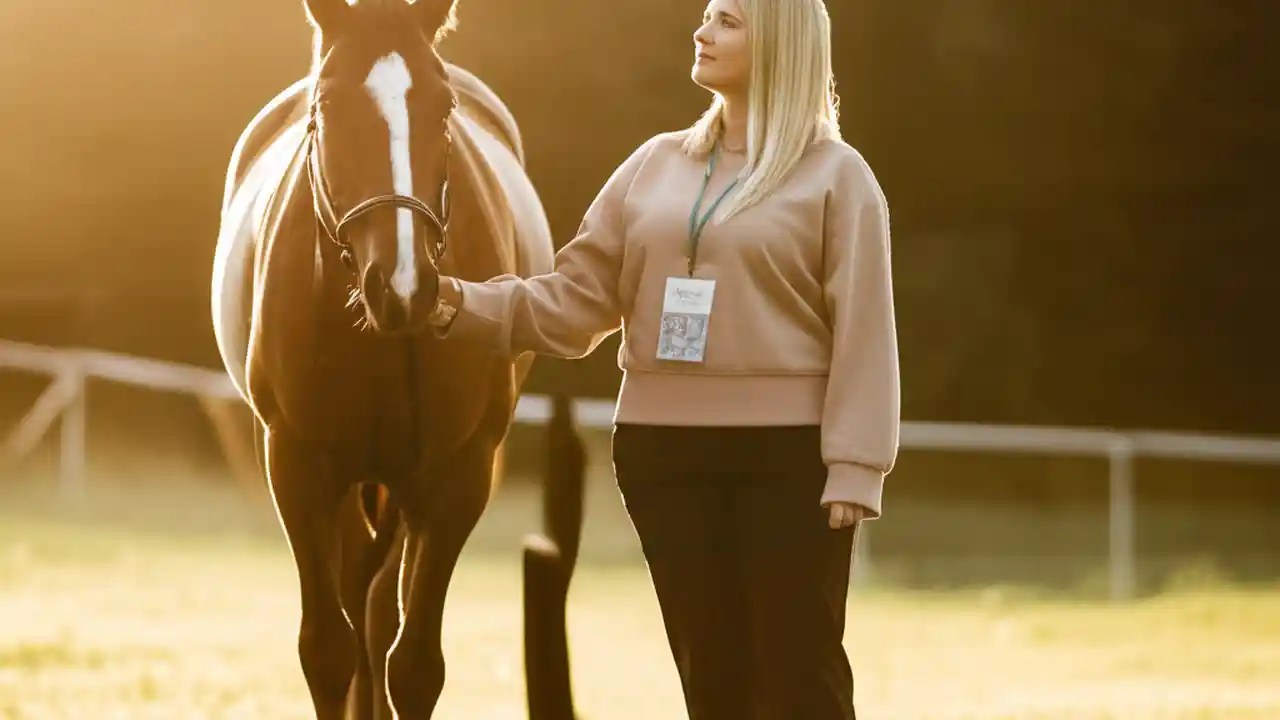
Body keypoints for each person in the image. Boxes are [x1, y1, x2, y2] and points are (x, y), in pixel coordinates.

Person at [427, 0, 898, 716]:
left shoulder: (839, 176)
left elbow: (865, 326)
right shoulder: (654, 164)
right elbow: (575, 301)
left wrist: (857, 464)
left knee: (801, 680)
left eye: (728, 20)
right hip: (662, 455)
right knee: (711, 680)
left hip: (791, 463)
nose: (701, 31)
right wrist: (456, 303)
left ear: (781, 43)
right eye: (706, 16)